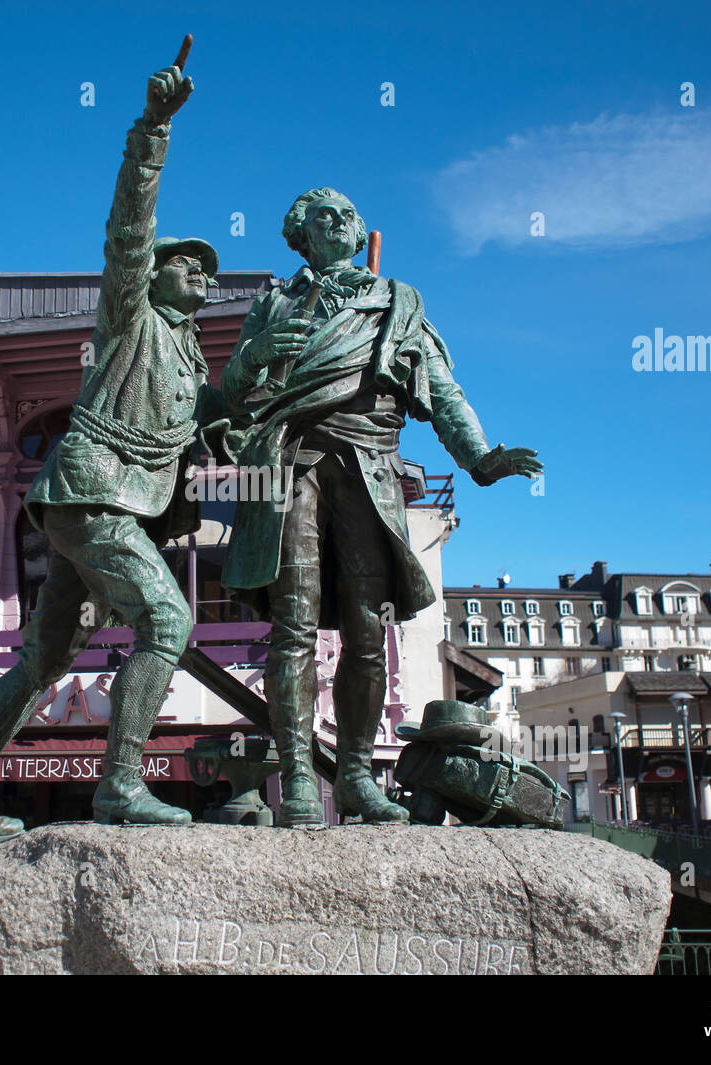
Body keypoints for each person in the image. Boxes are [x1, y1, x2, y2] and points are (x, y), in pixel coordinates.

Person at [0, 58, 219, 839]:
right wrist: (154, 130)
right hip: (95, 493)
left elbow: (211, 425)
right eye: (189, 265)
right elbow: (130, 224)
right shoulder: (131, 314)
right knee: (167, 619)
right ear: (155, 276)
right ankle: (121, 784)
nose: (201, 276)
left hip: (101, 506)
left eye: (205, 270)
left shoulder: (191, 362)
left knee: (43, 660)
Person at [219, 188, 541, 826]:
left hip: (371, 466)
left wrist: (478, 457)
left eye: (346, 213)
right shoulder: (276, 302)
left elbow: (443, 387)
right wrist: (255, 355)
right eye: (321, 217)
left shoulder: (398, 302)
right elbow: (234, 394)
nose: (336, 223)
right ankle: (300, 779)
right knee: (293, 625)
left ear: (357, 226)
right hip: (293, 464)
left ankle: (361, 777)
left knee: (369, 633)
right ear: (301, 236)